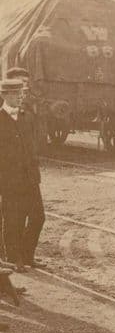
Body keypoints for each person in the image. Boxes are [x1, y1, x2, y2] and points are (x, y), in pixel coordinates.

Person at [0, 78, 45, 272]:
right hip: (9, 180)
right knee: (13, 220)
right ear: (4, 95)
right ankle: (14, 258)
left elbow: (34, 144)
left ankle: (27, 255)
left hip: (30, 178)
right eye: (16, 94)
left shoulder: (28, 116)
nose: (20, 97)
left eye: (22, 93)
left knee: (38, 217)